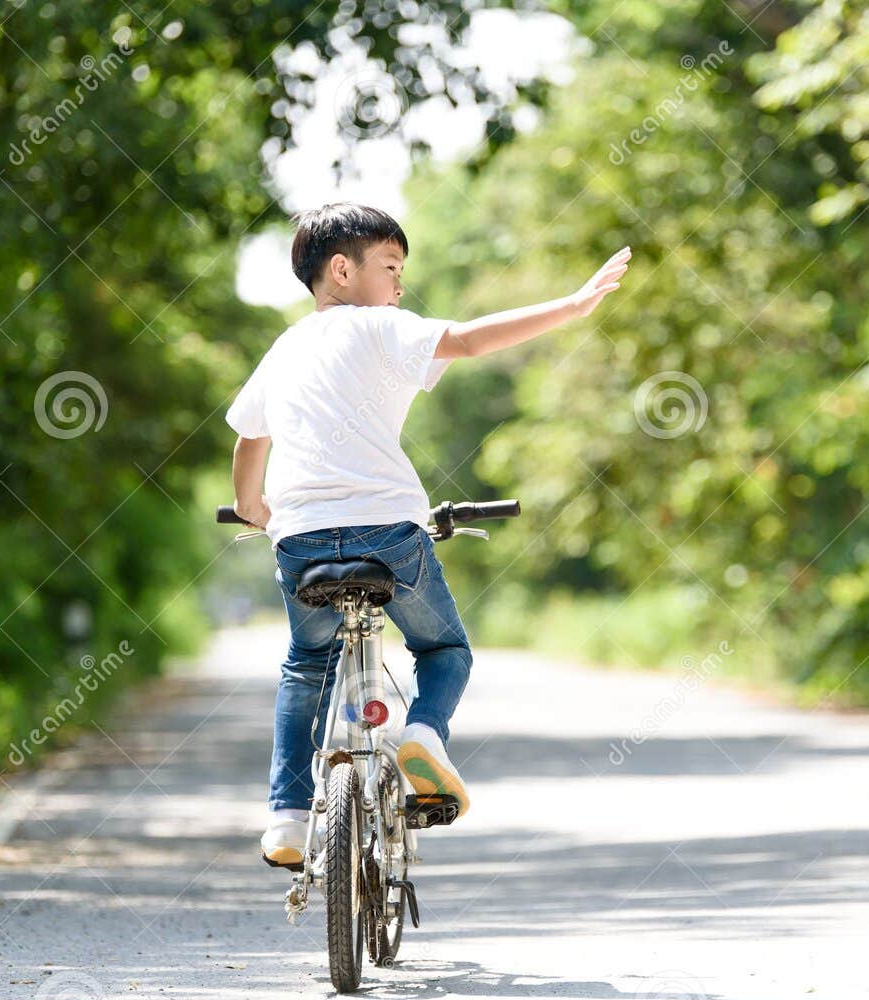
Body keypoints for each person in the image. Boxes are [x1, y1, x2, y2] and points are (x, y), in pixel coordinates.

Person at [227, 201, 630, 868]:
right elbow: (470, 340)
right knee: (444, 649)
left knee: (306, 668)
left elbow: (250, 439)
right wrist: (573, 305)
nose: (399, 284)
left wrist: (255, 508)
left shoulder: (285, 347)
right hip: (388, 529)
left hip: (299, 540)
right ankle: (422, 734)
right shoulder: (382, 326)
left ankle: (289, 818)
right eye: (390, 267)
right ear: (342, 270)